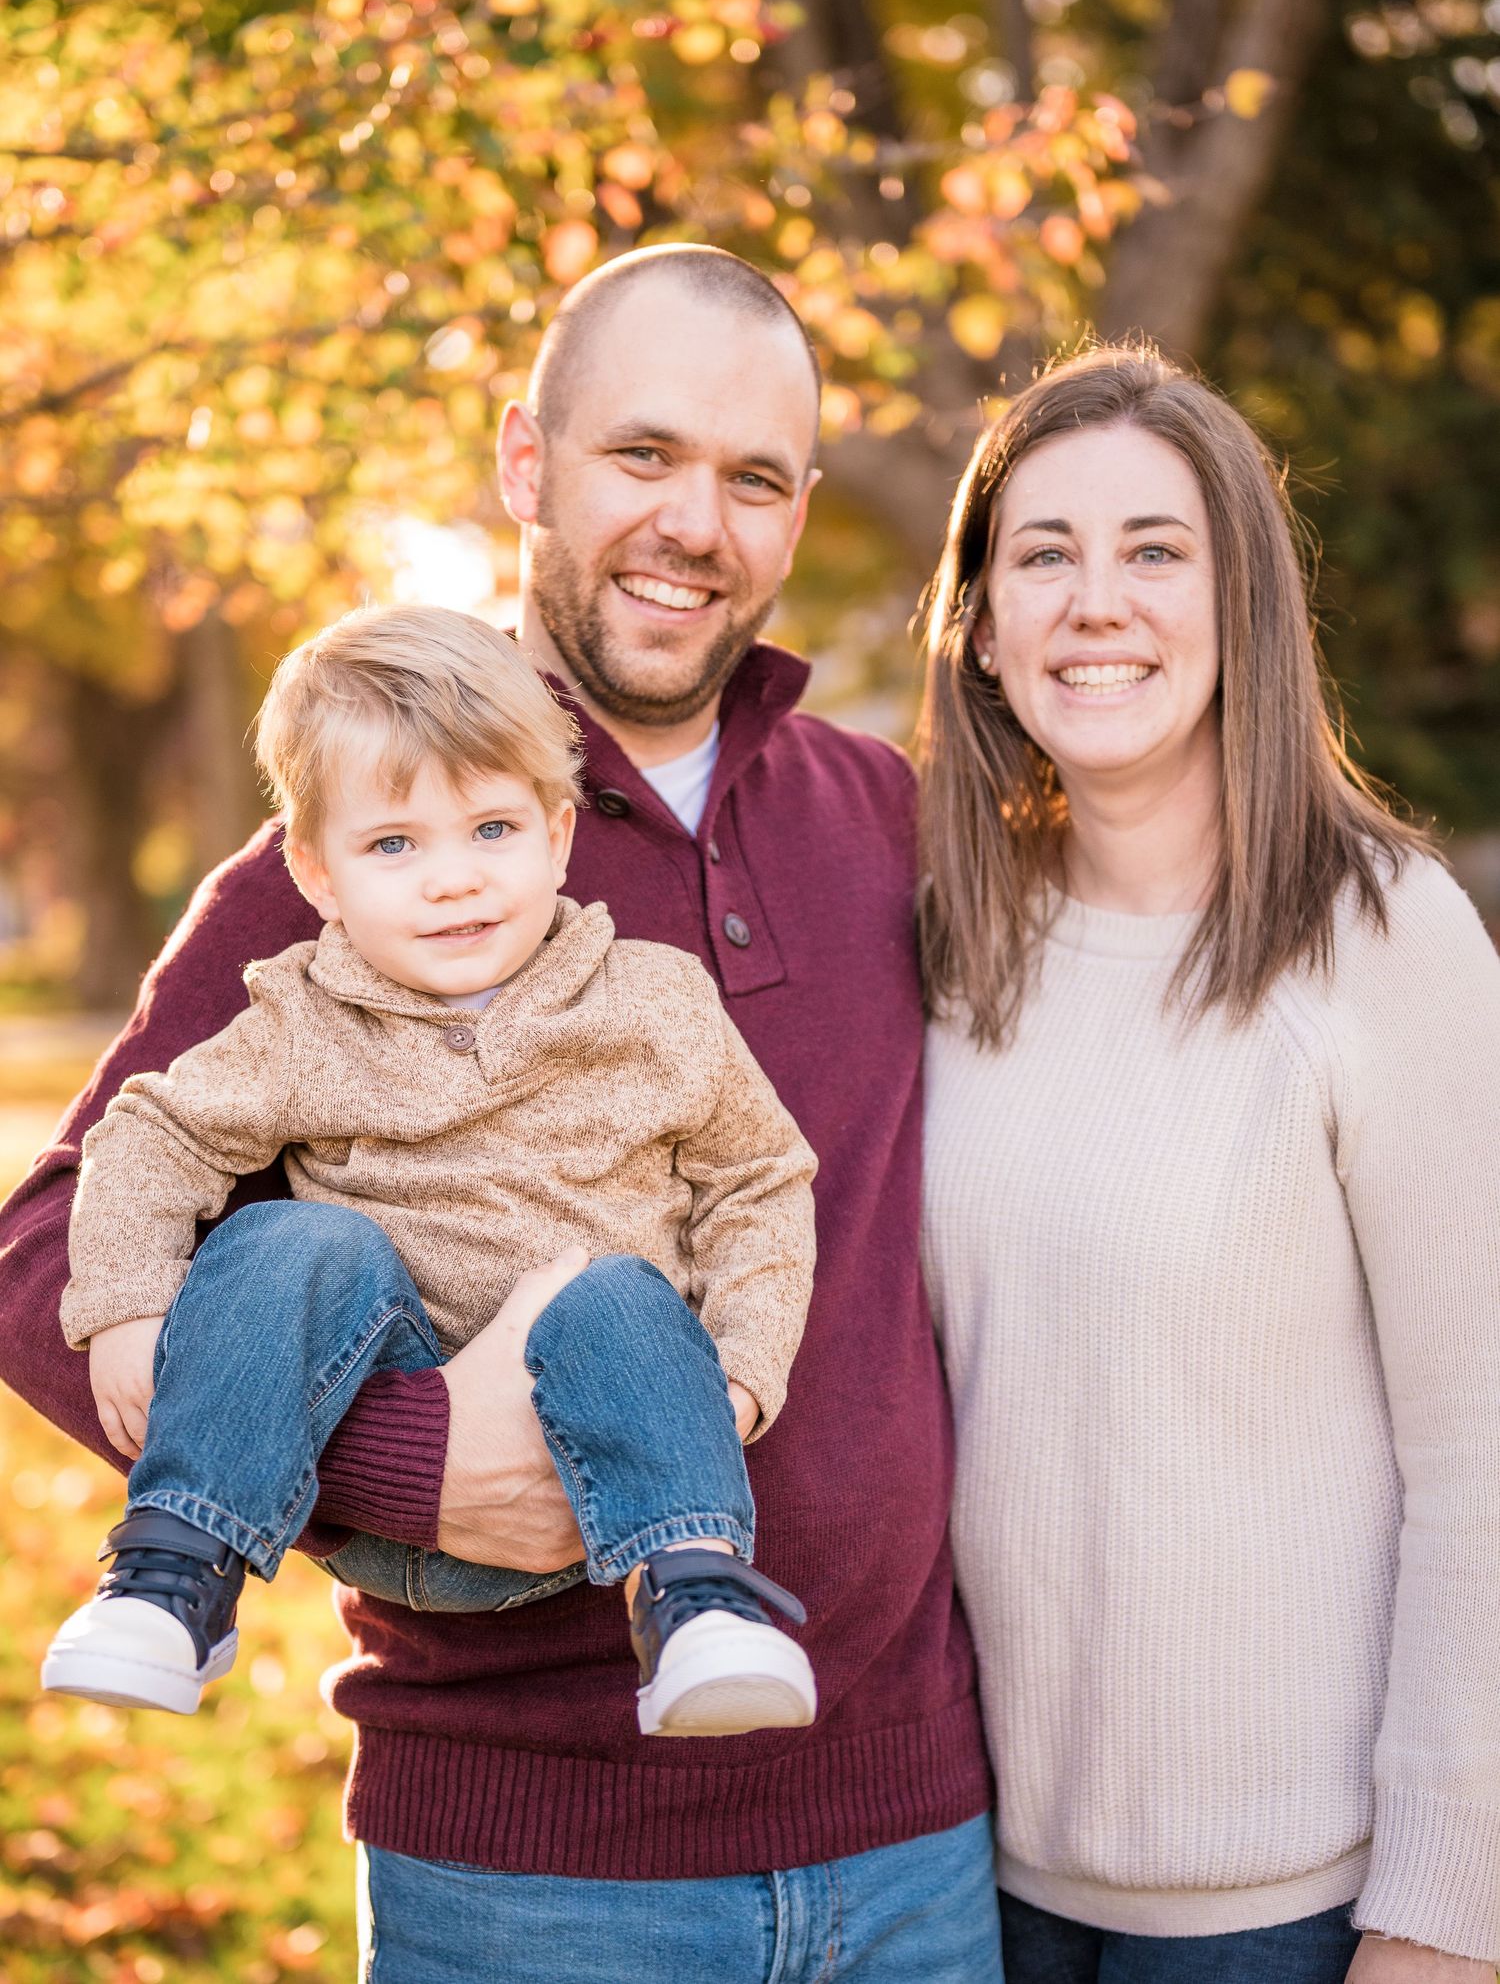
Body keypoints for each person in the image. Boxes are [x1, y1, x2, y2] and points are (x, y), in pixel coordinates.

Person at [0, 246, 1001, 1982]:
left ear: (799, 512)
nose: (696, 523)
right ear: (525, 459)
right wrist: (414, 1466)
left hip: (915, 1843)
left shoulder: (884, 818)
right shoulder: (384, 845)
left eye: (752, 480)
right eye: (644, 456)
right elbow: (37, 1264)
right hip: (535, 1876)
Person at [916, 344, 1500, 1983]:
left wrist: (1448, 1919)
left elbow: (1488, 1460)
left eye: (1155, 550)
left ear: (1244, 602)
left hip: (1293, 1912)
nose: (1097, 602)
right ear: (982, 623)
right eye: (1044, 554)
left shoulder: (1386, 943)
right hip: (975, 1886)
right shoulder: (949, 944)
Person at [43, 603, 819, 1741]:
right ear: (315, 871)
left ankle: (696, 1598)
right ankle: (176, 1576)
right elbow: (152, 1135)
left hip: (611, 1468)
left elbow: (757, 1181)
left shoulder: (652, 1001)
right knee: (292, 1242)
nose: (452, 880)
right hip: (400, 1498)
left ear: (559, 835)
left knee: (610, 1286)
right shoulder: (305, 1016)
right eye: (394, 845)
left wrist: (744, 1369)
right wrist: (122, 1306)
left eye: (491, 830)